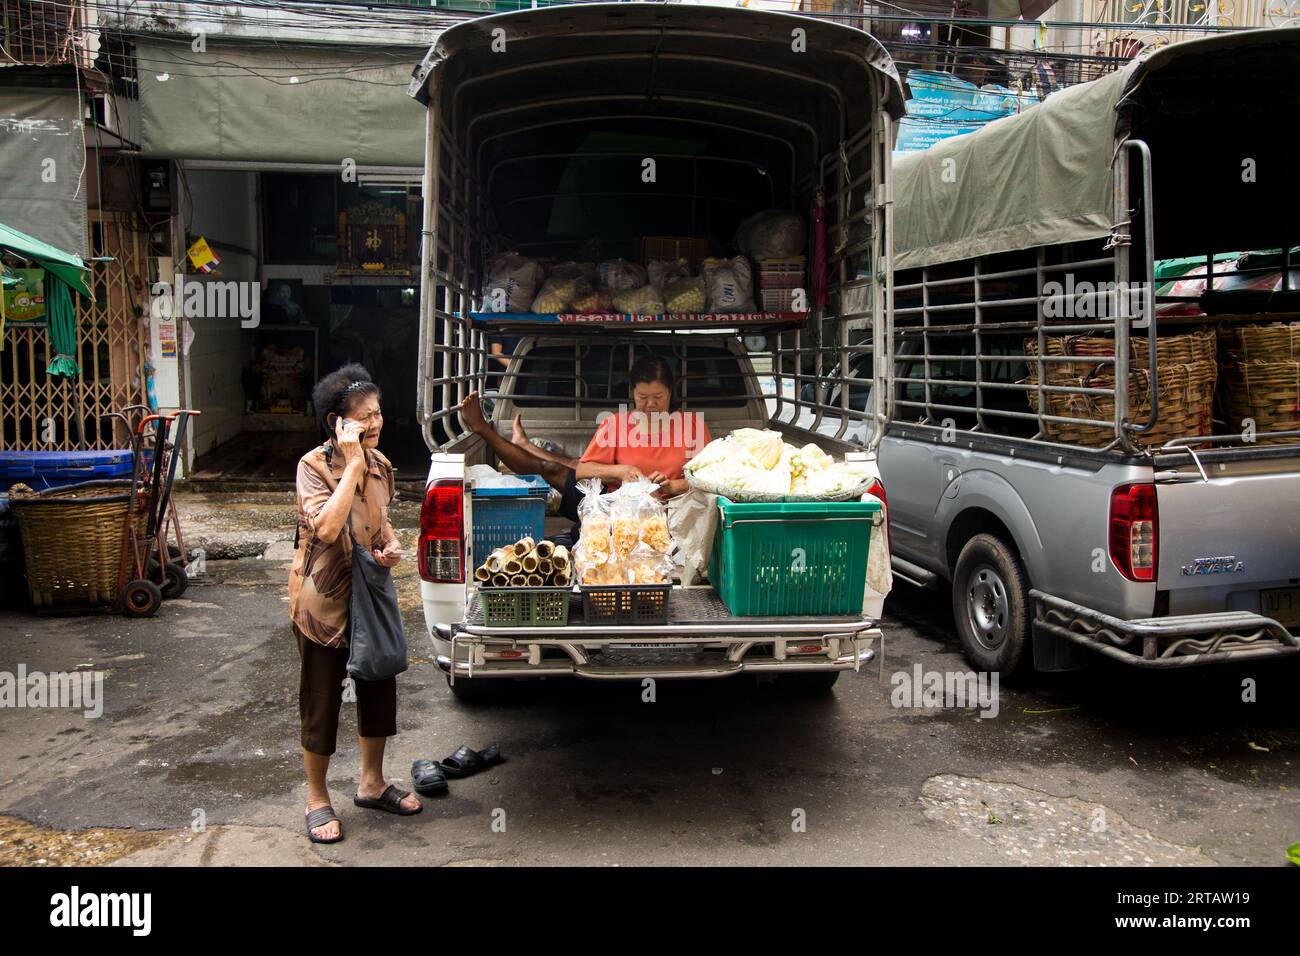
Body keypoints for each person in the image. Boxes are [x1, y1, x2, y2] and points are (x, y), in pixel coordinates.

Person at [289, 363, 419, 845]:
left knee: (378, 688)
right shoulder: (312, 467)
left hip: (371, 598)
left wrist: (389, 547)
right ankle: (317, 798)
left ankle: (371, 782)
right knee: (322, 700)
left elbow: (379, 523)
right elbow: (325, 527)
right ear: (337, 423)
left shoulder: (382, 464)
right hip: (323, 603)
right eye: (364, 417)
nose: (376, 422)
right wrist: (353, 464)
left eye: (378, 413)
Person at [457, 354, 712, 523]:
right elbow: (583, 470)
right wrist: (621, 471)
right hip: (616, 514)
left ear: (671, 392)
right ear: (632, 393)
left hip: (677, 515)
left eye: (658, 397)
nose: (650, 405)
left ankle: (521, 444)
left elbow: (712, 482)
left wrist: (672, 487)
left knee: (560, 465)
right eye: (643, 397)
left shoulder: (693, 426)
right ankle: (483, 429)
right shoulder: (616, 423)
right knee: (552, 469)